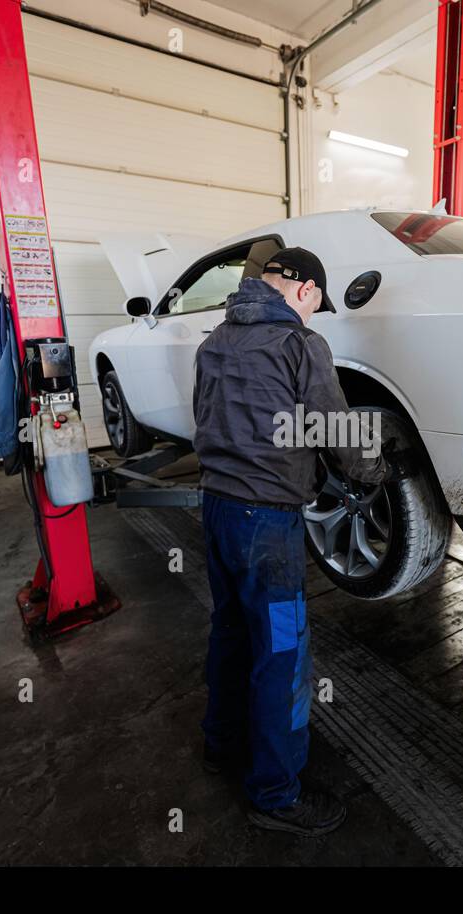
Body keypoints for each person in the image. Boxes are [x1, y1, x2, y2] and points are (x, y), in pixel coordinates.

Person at [191, 246, 389, 836]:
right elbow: (337, 432)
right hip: (267, 528)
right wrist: (377, 472)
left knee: (230, 630)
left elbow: (219, 420)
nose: (314, 316)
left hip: (217, 511)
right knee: (282, 655)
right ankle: (275, 794)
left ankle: (220, 744)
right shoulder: (301, 345)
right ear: (302, 290)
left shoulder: (213, 341)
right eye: (316, 305)